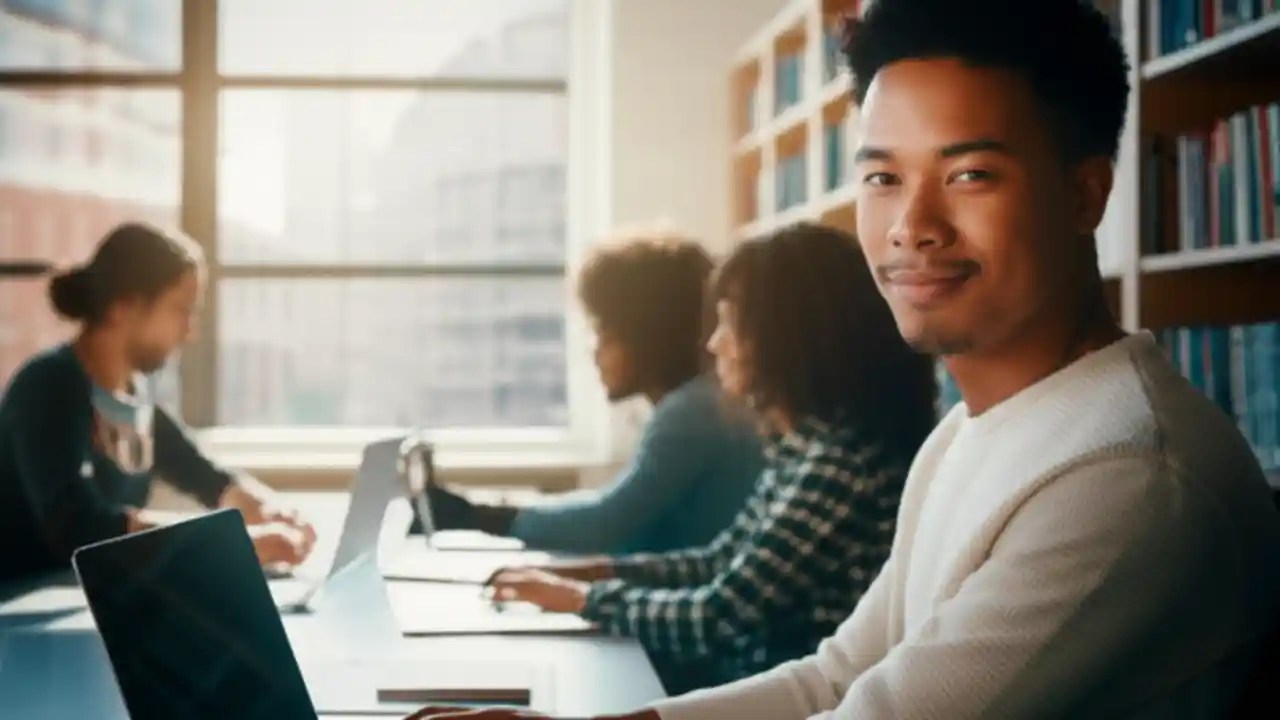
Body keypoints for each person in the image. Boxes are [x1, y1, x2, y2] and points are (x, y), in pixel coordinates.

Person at [408, 1, 1280, 719]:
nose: (912, 227)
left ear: (1085, 192)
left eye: (970, 174)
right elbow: (834, 678)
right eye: (881, 178)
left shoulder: (1127, 474)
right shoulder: (969, 435)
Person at [479, 224, 936, 694]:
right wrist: (590, 574)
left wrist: (583, 598)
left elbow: (722, 615)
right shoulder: (803, 446)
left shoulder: (840, 463)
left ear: (788, 337)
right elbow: (719, 560)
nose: (714, 343)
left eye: (731, 323)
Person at [0, 223, 316, 583]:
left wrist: (273, 511)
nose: (189, 330)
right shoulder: (49, 386)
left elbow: (204, 475)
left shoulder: (135, 394)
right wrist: (230, 543)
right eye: (181, 309)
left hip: (89, 603)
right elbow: (78, 526)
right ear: (123, 307)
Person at [422, 232, 764, 555]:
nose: (595, 351)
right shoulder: (701, 403)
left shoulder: (693, 413)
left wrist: (474, 516)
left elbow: (605, 523)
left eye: (605, 333)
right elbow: (616, 505)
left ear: (647, 336)